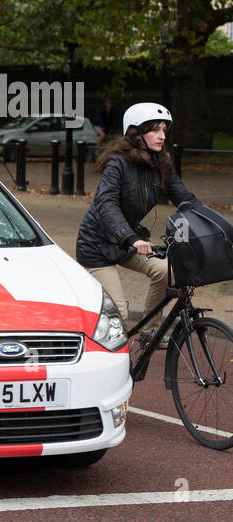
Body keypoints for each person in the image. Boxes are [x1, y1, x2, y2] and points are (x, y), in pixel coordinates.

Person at [75, 102, 198, 347]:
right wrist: (132, 238)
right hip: (97, 246)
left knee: (165, 271)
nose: (162, 136)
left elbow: (185, 200)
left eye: (164, 129)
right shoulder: (117, 164)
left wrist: (210, 226)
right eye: (155, 130)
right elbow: (106, 204)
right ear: (136, 133)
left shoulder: (161, 164)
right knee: (117, 315)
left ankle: (149, 333)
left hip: (127, 242)